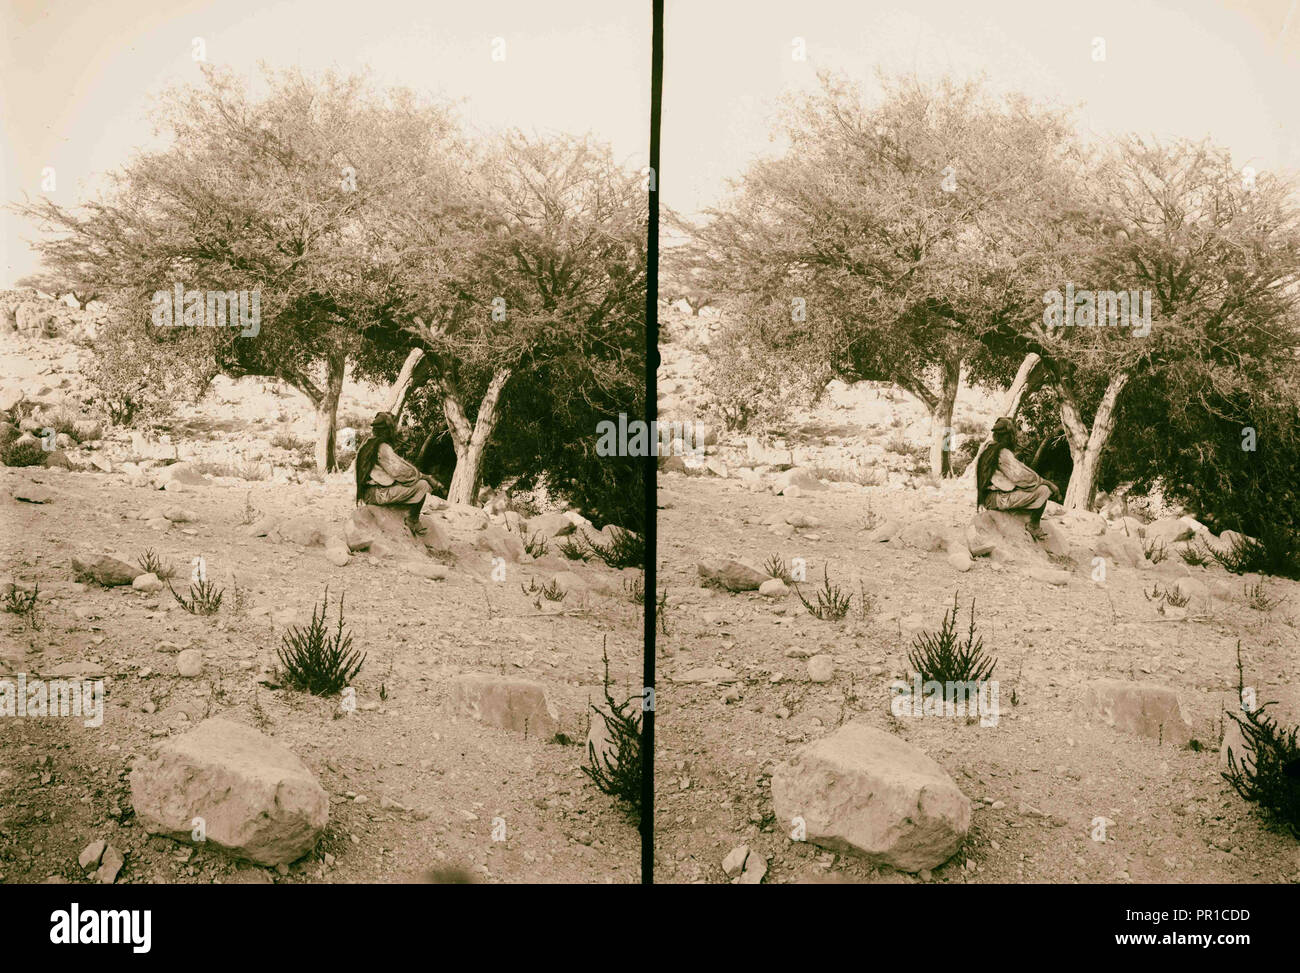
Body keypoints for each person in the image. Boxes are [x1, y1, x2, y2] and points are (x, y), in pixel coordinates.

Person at [353, 412, 442, 535]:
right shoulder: (382, 447)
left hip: (369, 492)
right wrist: (425, 476)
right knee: (422, 485)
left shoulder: (368, 443)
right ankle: (413, 520)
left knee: (412, 483)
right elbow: (401, 472)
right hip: (377, 494)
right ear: (388, 430)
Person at [974, 417, 1061, 541]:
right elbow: (1022, 477)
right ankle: (1033, 525)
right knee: (1044, 490)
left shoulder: (989, 448)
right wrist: (1047, 483)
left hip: (991, 497)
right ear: (1008, 436)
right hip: (997, 499)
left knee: (1031, 488)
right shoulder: (1002, 452)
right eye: (1012, 435)